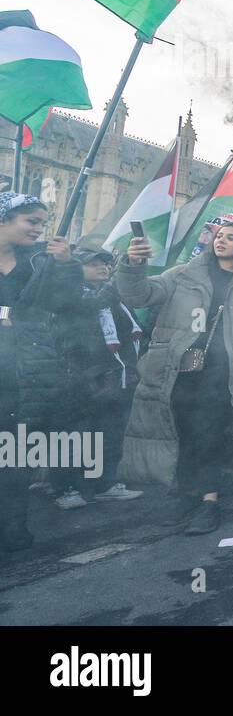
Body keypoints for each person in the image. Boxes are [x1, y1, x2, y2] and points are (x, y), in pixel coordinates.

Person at [116, 222, 233, 535]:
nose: (221, 241)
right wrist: (134, 264)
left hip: (228, 374)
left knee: (212, 434)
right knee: (183, 431)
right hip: (180, 370)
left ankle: (209, 501)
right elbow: (139, 294)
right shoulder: (183, 274)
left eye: (231, 238)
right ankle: (187, 494)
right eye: (219, 236)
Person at [0, 193, 81, 551]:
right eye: (31, 221)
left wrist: (66, 265)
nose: (38, 229)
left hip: (25, 372)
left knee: (15, 455)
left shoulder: (39, 261)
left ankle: (13, 526)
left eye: (42, 223)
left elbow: (66, 304)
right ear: (4, 218)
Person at [50, 247, 146, 508]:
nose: (102, 267)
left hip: (115, 378)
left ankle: (104, 484)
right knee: (74, 435)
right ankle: (66, 488)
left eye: (104, 263)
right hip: (79, 379)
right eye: (92, 264)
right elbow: (71, 337)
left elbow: (133, 333)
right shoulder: (67, 298)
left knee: (109, 433)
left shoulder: (115, 299)